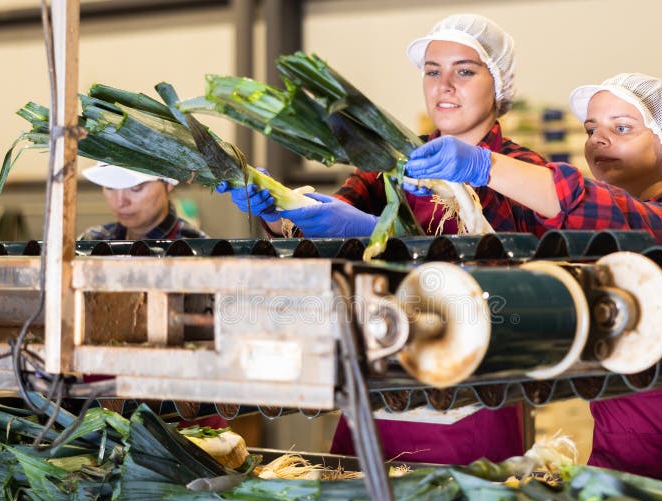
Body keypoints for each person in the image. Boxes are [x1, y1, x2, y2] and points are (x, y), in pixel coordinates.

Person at [222, 14, 551, 465]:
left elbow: (512, 282)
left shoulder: (519, 169)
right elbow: (329, 220)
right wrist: (279, 210)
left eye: (465, 71)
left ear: (497, 83)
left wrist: (373, 233)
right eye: (433, 71)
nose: (444, 85)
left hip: (473, 390)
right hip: (380, 386)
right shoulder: (395, 159)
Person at [404, 72, 662, 486]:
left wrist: (486, 164)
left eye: (621, 128)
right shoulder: (584, 242)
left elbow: (621, 218)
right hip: (615, 449)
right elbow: (504, 238)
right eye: (591, 129)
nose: (599, 140)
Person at [79, 163, 206, 240]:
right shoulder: (92, 240)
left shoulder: (199, 252)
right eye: (109, 187)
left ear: (168, 183)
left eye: (135, 189)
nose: (120, 202)